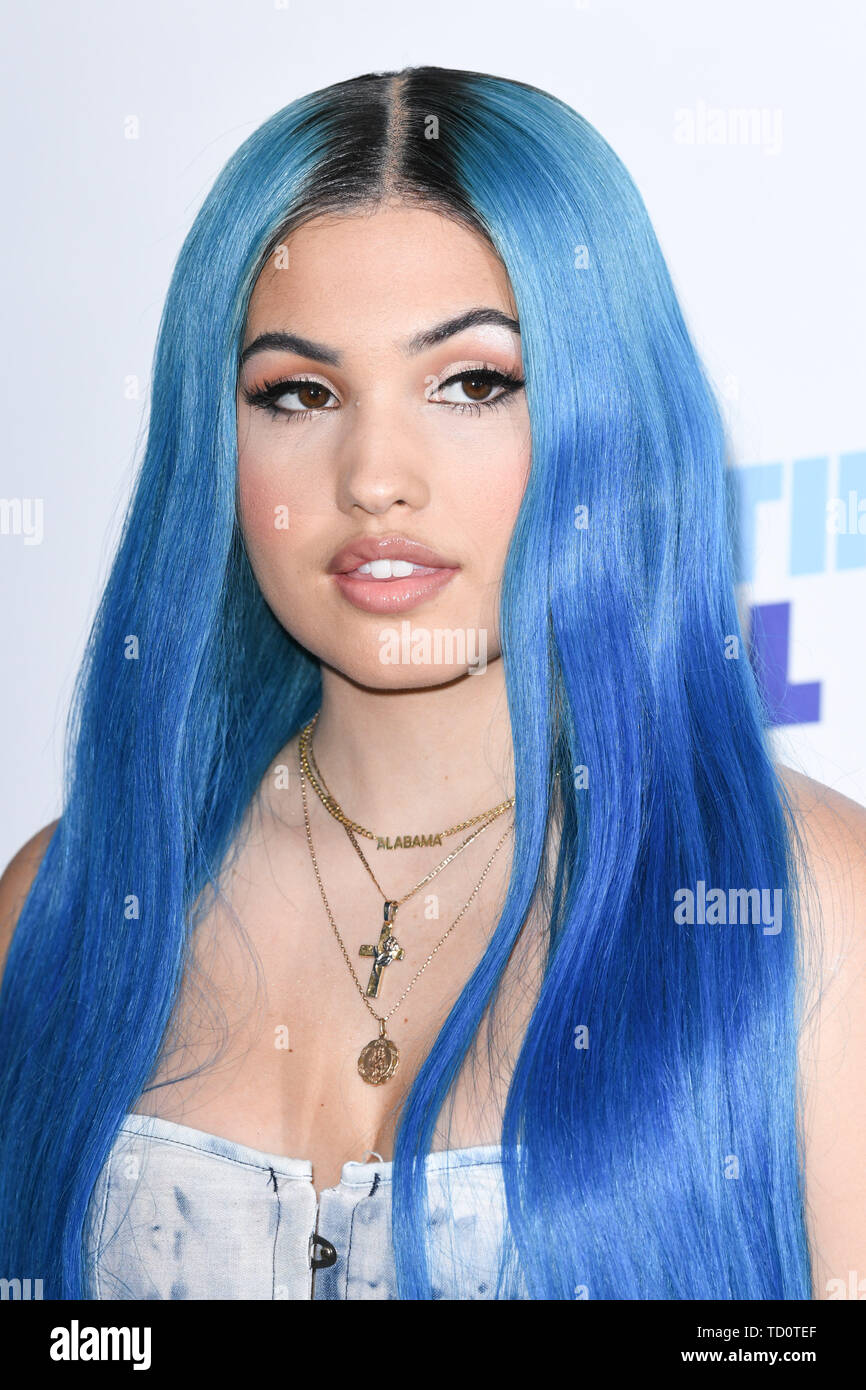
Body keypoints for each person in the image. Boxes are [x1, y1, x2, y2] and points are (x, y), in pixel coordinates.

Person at [1, 65, 865, 1301]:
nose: (373, 476)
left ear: (604, 415)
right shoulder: (64, 903)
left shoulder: (808, 912)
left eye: (470, 382)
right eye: (298, 392)